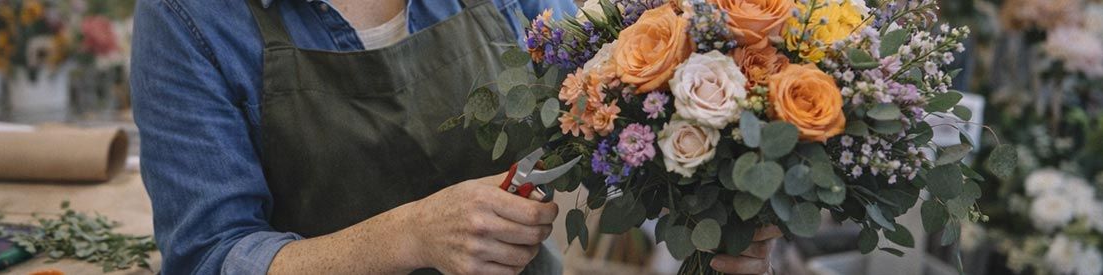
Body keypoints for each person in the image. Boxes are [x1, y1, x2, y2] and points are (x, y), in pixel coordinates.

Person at [130, 0, 780, 274]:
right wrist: (410, 234)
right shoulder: (190, 18)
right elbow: (210, 255)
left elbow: (612, 91)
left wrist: (715, 201)